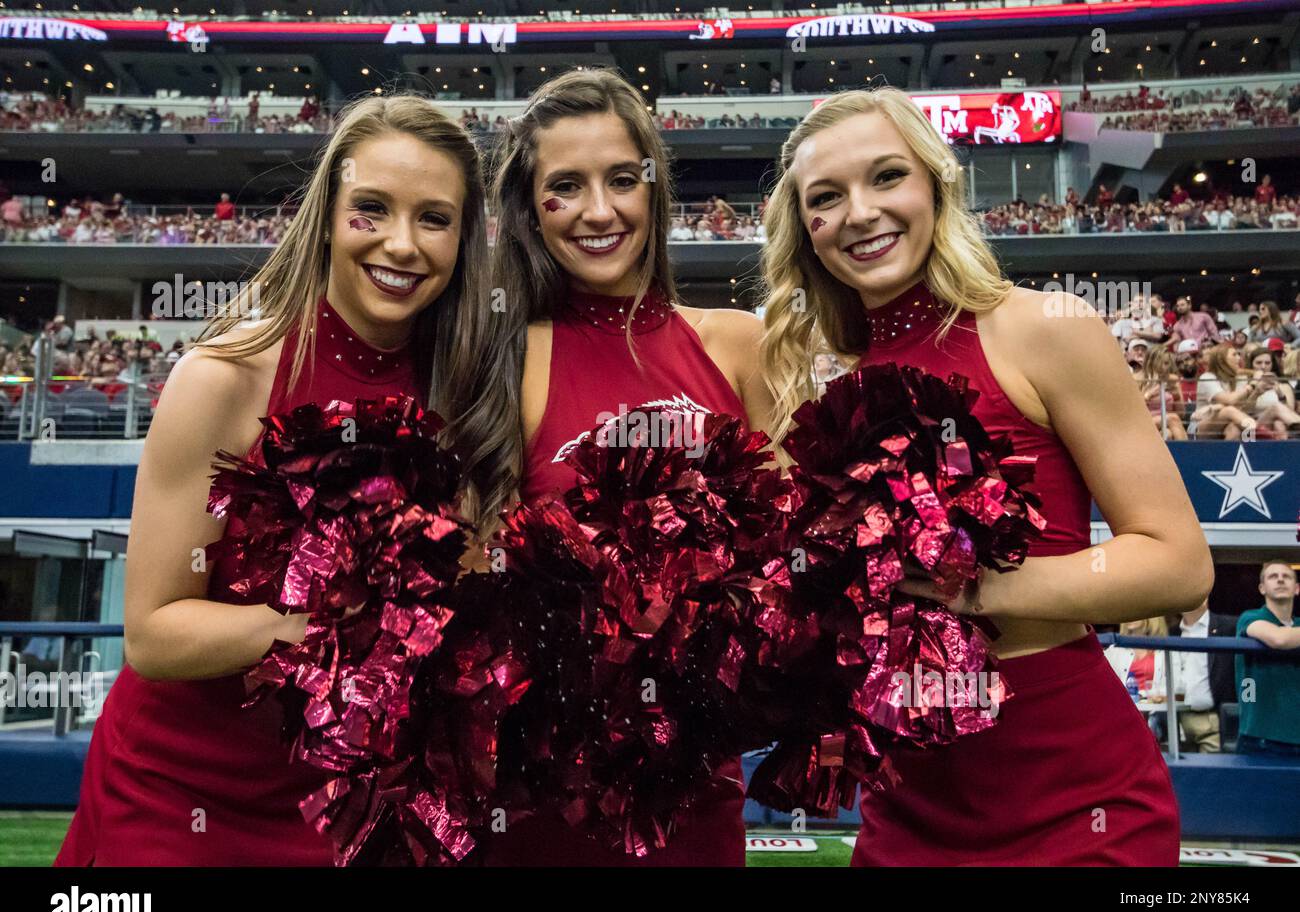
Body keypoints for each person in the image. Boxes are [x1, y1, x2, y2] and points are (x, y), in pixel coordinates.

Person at [759, 86, 1211, 865]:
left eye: (887, 176)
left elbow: (1179, 564)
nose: (861, 212)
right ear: (806, 230)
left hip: (1078, 807)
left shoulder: (1041, 328)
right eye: (826, 197)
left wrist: (960, 588)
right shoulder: (814, 389)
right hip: (905, 815)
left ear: (937, 183)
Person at [55, 95, 512, 866]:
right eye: (372, 209)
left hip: (354, 813)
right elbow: (152, 633)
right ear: (327, 216)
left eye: (434, 218)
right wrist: (334, 627)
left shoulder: (468, 400)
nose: (401, 245)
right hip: (179, 800)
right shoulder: (224, 378)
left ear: (464, 239)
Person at [482, 66, 774, 866]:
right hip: (541, 802)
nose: (599, 211)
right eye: (565, 187)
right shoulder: (499, 358)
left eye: (622, 179)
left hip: (693, 797)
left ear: (655, 190)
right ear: (528, 207)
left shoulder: (738, 346)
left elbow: (788, 571)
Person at [1235, 560, 1300, 755]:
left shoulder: (1297, 624)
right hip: (1261, 737)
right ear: (1262, 588)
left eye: (1286, 576)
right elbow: (1278, 639)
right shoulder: (1250, 618)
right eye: (1273, 576)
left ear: (1297, 588)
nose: (1280, 580)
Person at [1168, 599, 1238, 754]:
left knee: (1213, 777)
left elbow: (1247, 670)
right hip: (1178, 721)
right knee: (1183, 777)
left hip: (1213, 720)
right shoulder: (1173, 632)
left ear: (1205, 597)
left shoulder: (1228, 626)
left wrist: (1248, 701)